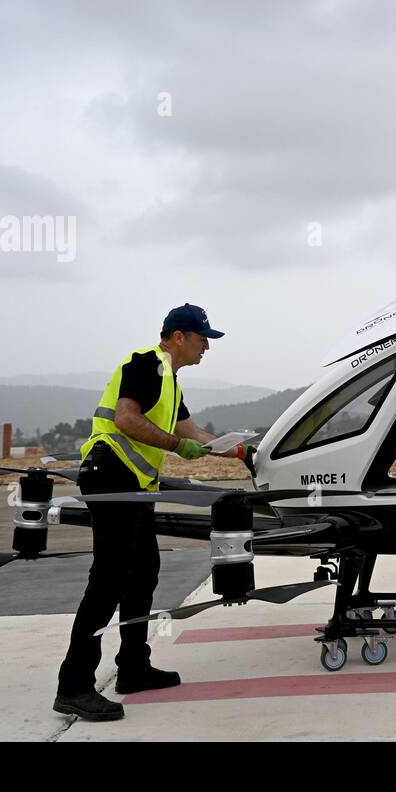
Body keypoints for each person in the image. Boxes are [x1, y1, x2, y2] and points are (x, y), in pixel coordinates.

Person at [53, 304, 244, 721]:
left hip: (132, 485)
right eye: (202, 338)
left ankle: (133, 666)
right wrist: (177, 448)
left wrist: (248, 453)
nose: (206, 347)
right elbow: (126, 419)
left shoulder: (170, 383)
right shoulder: (148, 363)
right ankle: (74, 686)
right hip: (110, 475)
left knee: (143, 571)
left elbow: (194, 433)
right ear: (179, 336)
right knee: (108, 579)